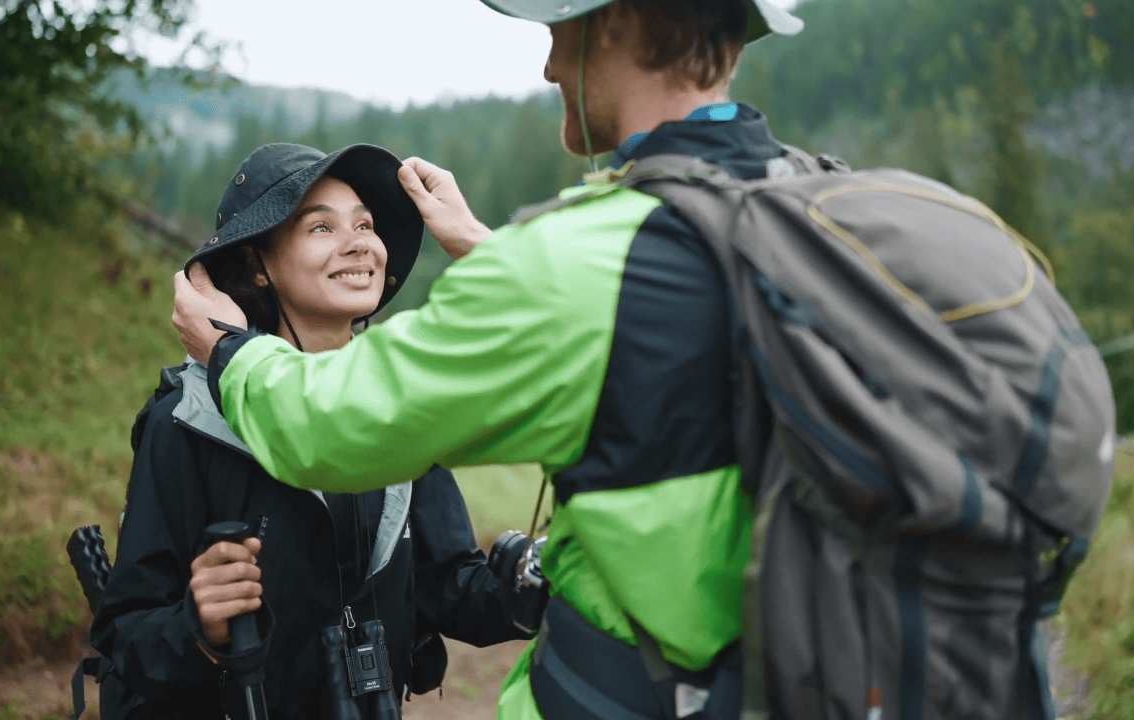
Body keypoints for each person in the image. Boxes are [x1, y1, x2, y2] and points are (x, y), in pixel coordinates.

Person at [170, 2, 807, 718]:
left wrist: (228, 349)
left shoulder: (570, 260)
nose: (548, 64)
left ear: (619, 22)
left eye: (559, 28)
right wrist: (494, 252)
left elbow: (328, 426)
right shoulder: (805, 209)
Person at [93, 142, 531, 720]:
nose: (360, 243)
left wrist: (539, 582)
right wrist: (199, 628)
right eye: (320, 227)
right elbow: (127, 637)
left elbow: (449, 586)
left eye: (366, 225)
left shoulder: (395, 401)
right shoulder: (192, 418)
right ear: (256, 265)